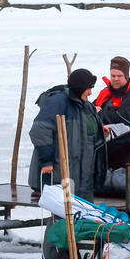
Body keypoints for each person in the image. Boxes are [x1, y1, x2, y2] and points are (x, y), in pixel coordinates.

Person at [29, 69, 104, 201]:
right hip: (61, 176)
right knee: (62, 217)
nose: (91, 92)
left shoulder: (84, 105)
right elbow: (39, 129)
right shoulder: (58, 101)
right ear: (80, 88)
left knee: (83, 218)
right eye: (89, 88)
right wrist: (46, 161)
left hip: (83, 178)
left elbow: (84, 131)